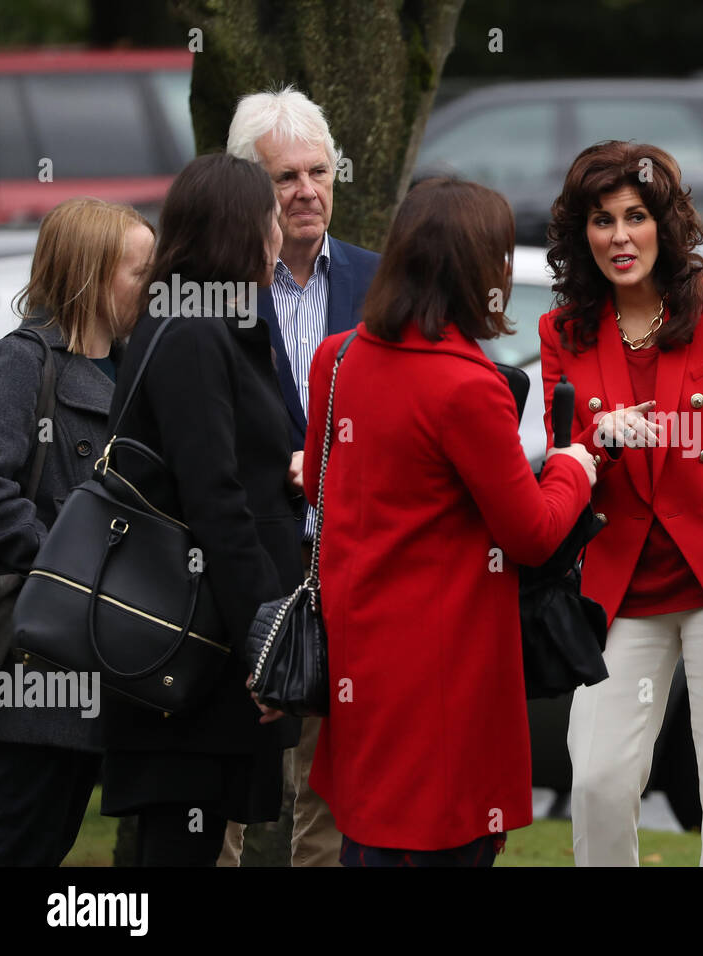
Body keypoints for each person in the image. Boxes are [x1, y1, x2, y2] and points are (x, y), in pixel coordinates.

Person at [301, 177, 595, 867]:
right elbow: (531, 532)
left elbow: (319, 475)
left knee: (367, 839)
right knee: (439, 847)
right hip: (444, 671)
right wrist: (575, 465)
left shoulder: (337, 357)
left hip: (358, 651)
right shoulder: (467, 386)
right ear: (480, 270)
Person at [540, 141, 703, 867]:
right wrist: (598, 435)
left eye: (635, 216)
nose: (618, 237)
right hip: (620, 588)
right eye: (601, 220)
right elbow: (559, 456)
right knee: (602, 778)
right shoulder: (562, 330)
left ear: (664, 224)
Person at [98, 153, 302, 867]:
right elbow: (214, 498)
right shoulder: (190, 328)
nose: (279, 237)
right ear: (238, 231)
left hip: (201, 646)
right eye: (270, 221)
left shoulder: (206, 321)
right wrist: (267, 643)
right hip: (189, 649)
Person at [225, 84, 379, 867]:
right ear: (250, 184)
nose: (308, 191)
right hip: (239, 565)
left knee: (330, 786)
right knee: (230, 786)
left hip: (345, 568)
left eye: (319, 171)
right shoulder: (212, 293)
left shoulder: (377, 284)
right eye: (286, 177)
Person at [0, 198, 153, 865]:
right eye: (138, 272)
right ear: (90, 274)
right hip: (28, 667)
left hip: (94, 667)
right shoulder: (23, 363)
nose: (152, 289)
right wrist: (66, 565)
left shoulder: (133, 370)